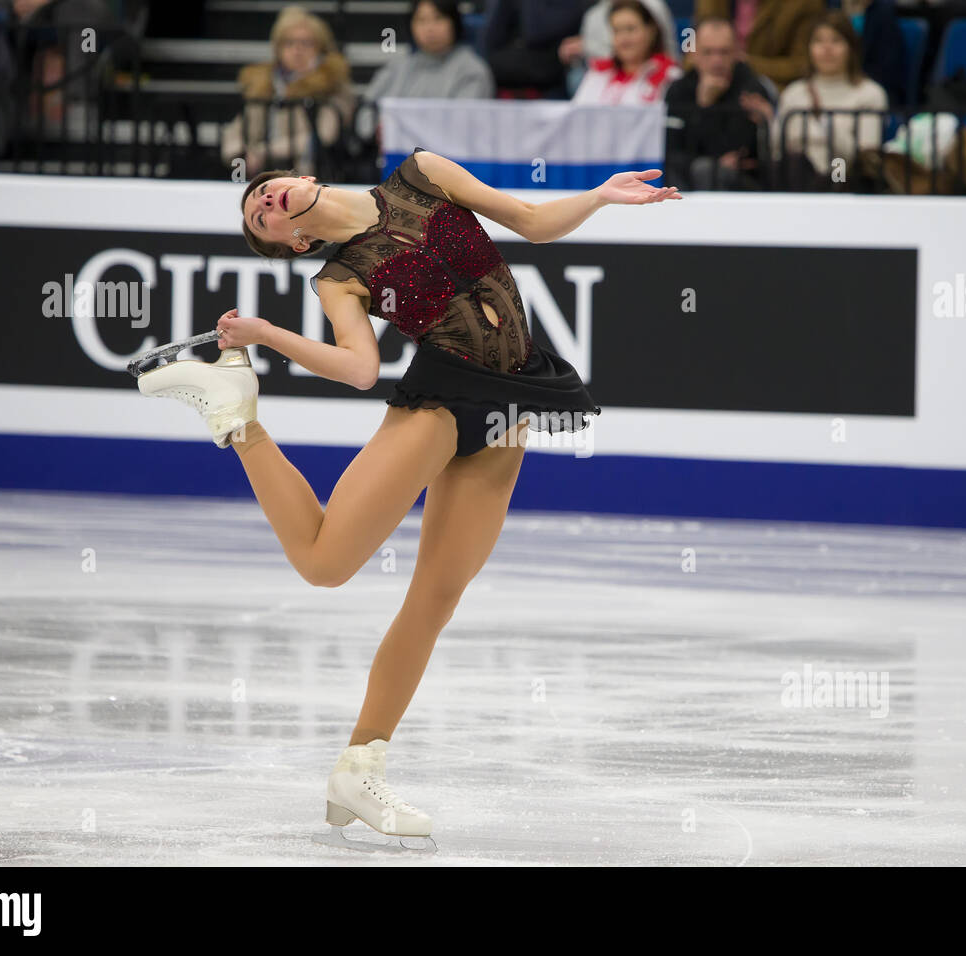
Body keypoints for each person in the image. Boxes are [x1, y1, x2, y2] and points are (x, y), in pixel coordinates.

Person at [134, 147, 681, 848]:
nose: (266, 200)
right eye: (259, 215)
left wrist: (601, 196)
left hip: (512, 399)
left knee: (437, 597)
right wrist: (267, 336)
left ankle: (359, 766)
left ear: (300, 180)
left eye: (266, 190)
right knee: (325, 563)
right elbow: (361, 369)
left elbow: (531, 222)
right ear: (292, 242)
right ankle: (237, 419)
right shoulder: (338, 279)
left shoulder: (421, 173)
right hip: (444, 398)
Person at [220, 5, 355, 179]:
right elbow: (239, 129)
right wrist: (241, 152)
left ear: (321, 48)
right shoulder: (264, 84)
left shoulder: (332, 83)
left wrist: (265, 151)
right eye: (289, 43)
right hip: (260, 175)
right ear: (278, 49)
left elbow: (325, 135)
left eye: (306, 43)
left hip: (309, 177)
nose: (297, 50)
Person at [773, 11, 888, 186]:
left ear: (851, 47)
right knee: (793, 163)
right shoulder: (794, 93)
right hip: (798, 173)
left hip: (842, 173)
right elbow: (777, 150)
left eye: (836, 40)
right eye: (819, 41)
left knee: (838, 166)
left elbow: (866, 157)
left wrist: (826, 125)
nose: (827, 48)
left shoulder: (870, 93)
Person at [664, 15, 779, 188]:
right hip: (687, 182)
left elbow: (744, 151)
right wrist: (703, 106)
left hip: (741, 183)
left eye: (724, 52)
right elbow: (673, 150)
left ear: (737, 52)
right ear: (693, 53)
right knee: (698, 169)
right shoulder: (678, 90)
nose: (716, 61)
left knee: (709, 170)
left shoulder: (752, 87)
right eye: (708, 52)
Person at [356, 0, 494, 144]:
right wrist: (376, 130)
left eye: (438, 18)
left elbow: (462, 128)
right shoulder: (397, 67)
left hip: (446, 162)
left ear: (454, 22)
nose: (430, 28)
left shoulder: (472, 71)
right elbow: (366, 109)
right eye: (421, 20)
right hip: (391, 157)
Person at [693, 0, 827, 91]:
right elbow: (693, 47)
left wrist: (745, 63)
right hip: (712, 81)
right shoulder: (710, 3)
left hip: (771, 88)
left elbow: (802, 64)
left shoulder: (803, 4)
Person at [572, 0, 685, 104]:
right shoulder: (597, 76)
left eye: (630, 29)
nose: (623, 39)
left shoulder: (671, 78)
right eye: (617, 31)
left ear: (651, 31)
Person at [481, 0, 588, 98]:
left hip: (563, 60)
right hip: (524, 55)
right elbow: (492, 40)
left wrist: (584, 41)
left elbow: (535, 32)